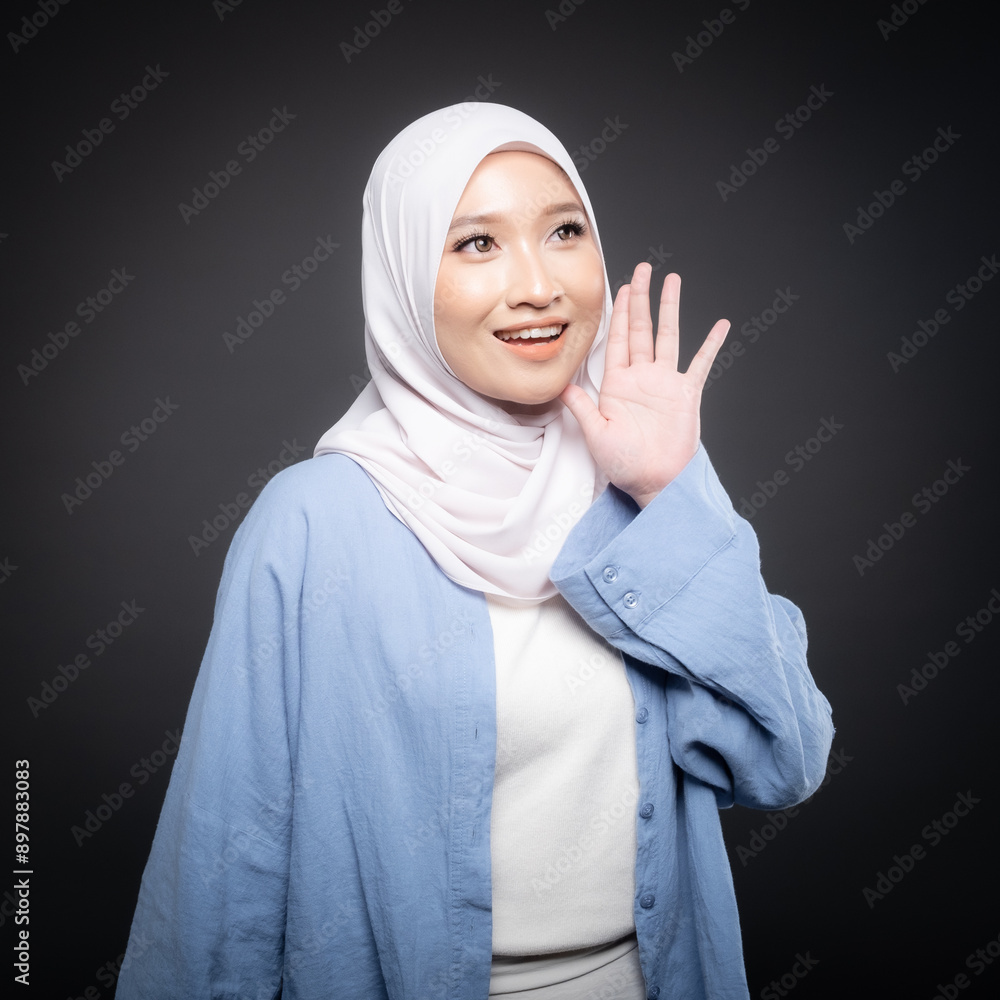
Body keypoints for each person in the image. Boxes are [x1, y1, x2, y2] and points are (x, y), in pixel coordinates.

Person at [116, 103, 833, 1000]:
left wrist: (671, 493)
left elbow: (785, 760)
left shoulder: (645, 485)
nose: (537, 285)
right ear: (407, 277)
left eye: (563, 231)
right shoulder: (311, 525)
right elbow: (224, 872)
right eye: (476, 245)